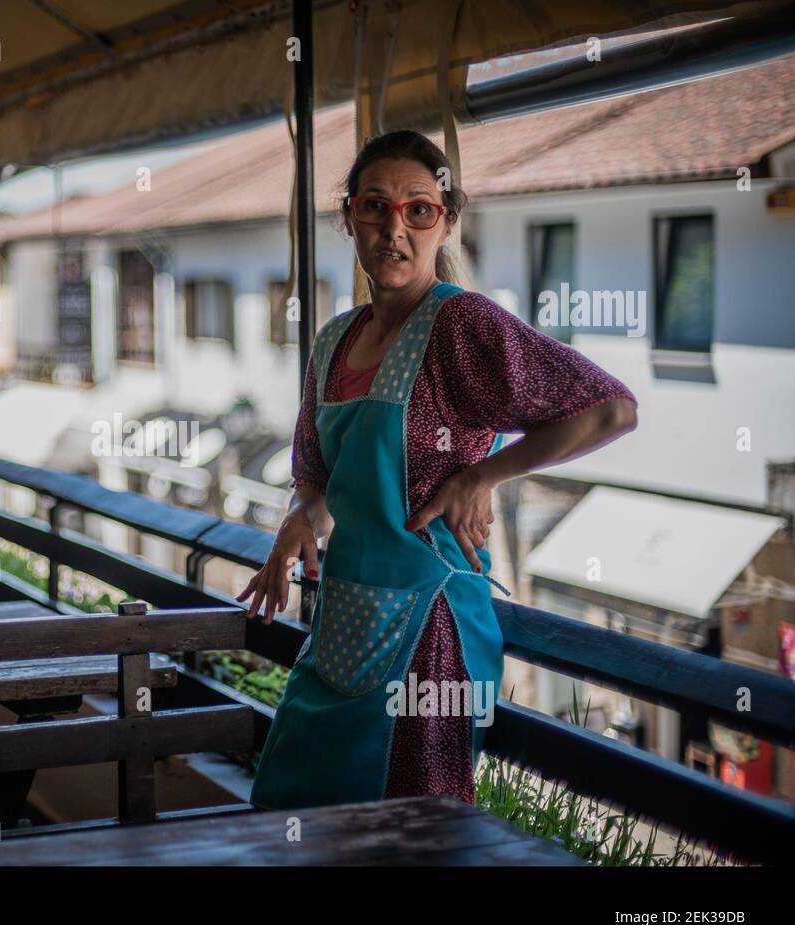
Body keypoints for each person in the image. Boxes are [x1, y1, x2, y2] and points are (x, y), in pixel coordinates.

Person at [238, 130, 638, 810]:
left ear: (447, 220)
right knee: (290, 805)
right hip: (344, 623)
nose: (395, 228)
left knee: (410, 828)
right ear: (350, 218)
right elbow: (317, 474)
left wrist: (484, 476)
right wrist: (296, 522)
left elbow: (610, 409)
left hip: (433, 633)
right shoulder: (333, 341)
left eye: (418, 209)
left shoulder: (462, 325)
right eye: (375, 207)